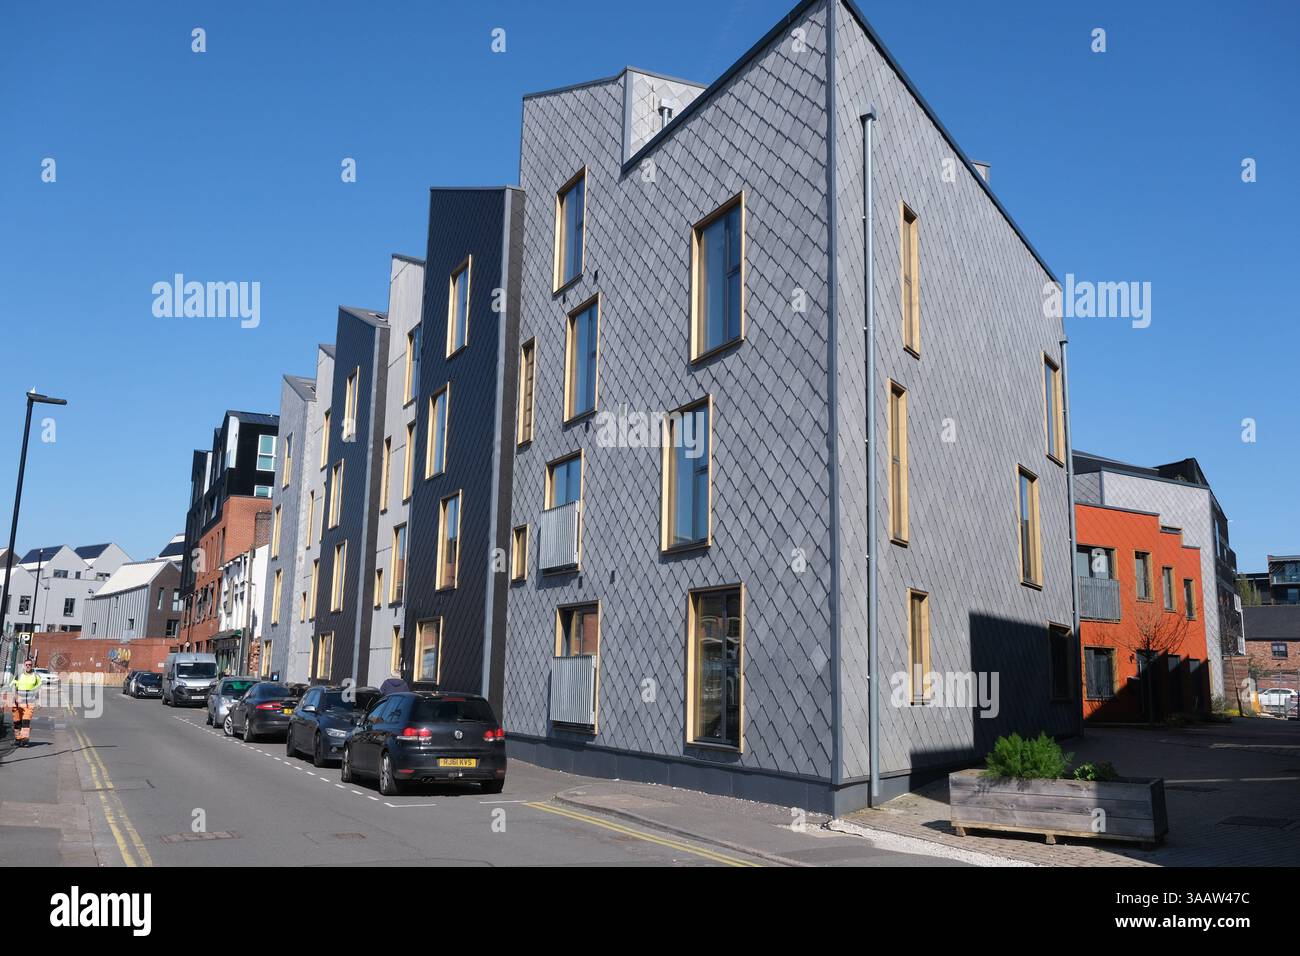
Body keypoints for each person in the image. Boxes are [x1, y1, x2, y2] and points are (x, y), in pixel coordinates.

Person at [5, 659, 43, 747]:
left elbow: (39, 690)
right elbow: (13, 686)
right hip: (17, 703)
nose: (28, 666)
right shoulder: (19, 675)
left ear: (32, 665)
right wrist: (15, 696)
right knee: (17, 722)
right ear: (24, 665)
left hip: (29, 703)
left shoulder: (36, 676)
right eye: (26, 664)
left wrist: (39, 702)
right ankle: (18, 739)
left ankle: (25, 740)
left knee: (26, 721)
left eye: (30, 664)